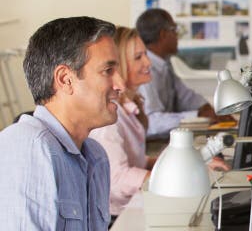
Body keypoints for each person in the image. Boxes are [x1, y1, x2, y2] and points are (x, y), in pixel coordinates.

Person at [0, 17, 167, 231]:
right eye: (108, 71)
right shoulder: (28, 147)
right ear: (66, 79)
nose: (120, 83)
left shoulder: (93, 155)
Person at [89, 26, 229, 219]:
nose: (148, 62)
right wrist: (176, 177)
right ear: (120, 65)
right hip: (119, 217)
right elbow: (119, 178)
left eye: (145, 55)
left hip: (135, 206)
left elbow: (139, 160)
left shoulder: (130, 107)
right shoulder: (111, 119)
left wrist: (188, 163)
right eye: (138, 57)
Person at [135, 8, 227, 138]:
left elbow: (185, 96)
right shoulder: (145, 70)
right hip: (151, 144)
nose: (177, 36)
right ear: (163, 34)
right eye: (174, 30)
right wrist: (197, 116)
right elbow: (152, 122)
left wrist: (205, 108)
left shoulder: (165, 64)